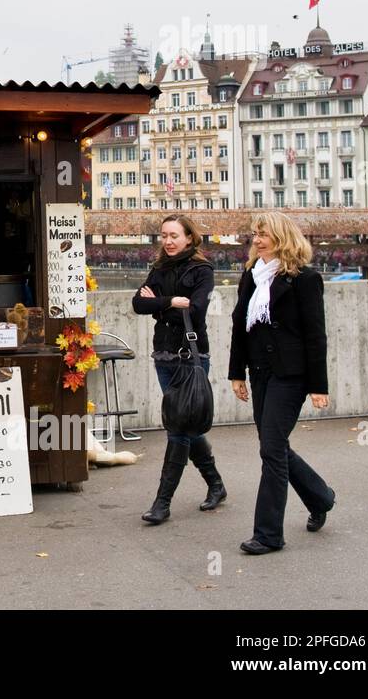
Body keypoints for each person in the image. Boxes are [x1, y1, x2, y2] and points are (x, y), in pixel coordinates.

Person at [228, 211, 335, 555]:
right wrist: (236, 372)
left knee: (271, 448)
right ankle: (320, 496)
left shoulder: (304, 279)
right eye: (255, 234)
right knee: (275, 446)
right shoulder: (251, 276)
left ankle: (268, 534)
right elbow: (239, 327)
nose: (257, 240)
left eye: (264, 234)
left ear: (283, 238)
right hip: (261, 374)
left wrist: (319, 386)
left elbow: (315, 336)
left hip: (291, 376)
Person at [131, 214, 224, 524]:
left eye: (174, 235)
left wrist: (159, 302)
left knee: (178, 427)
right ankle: (216, 485)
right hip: (164, 355)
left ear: (189, 238)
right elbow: (138, 304)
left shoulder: (202, 270)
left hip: (191, 355)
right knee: (186, 423)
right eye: (164, 236)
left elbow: (197, 310)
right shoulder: (159, 268)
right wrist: (173, 301)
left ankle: (162, 502)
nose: (168, 241)